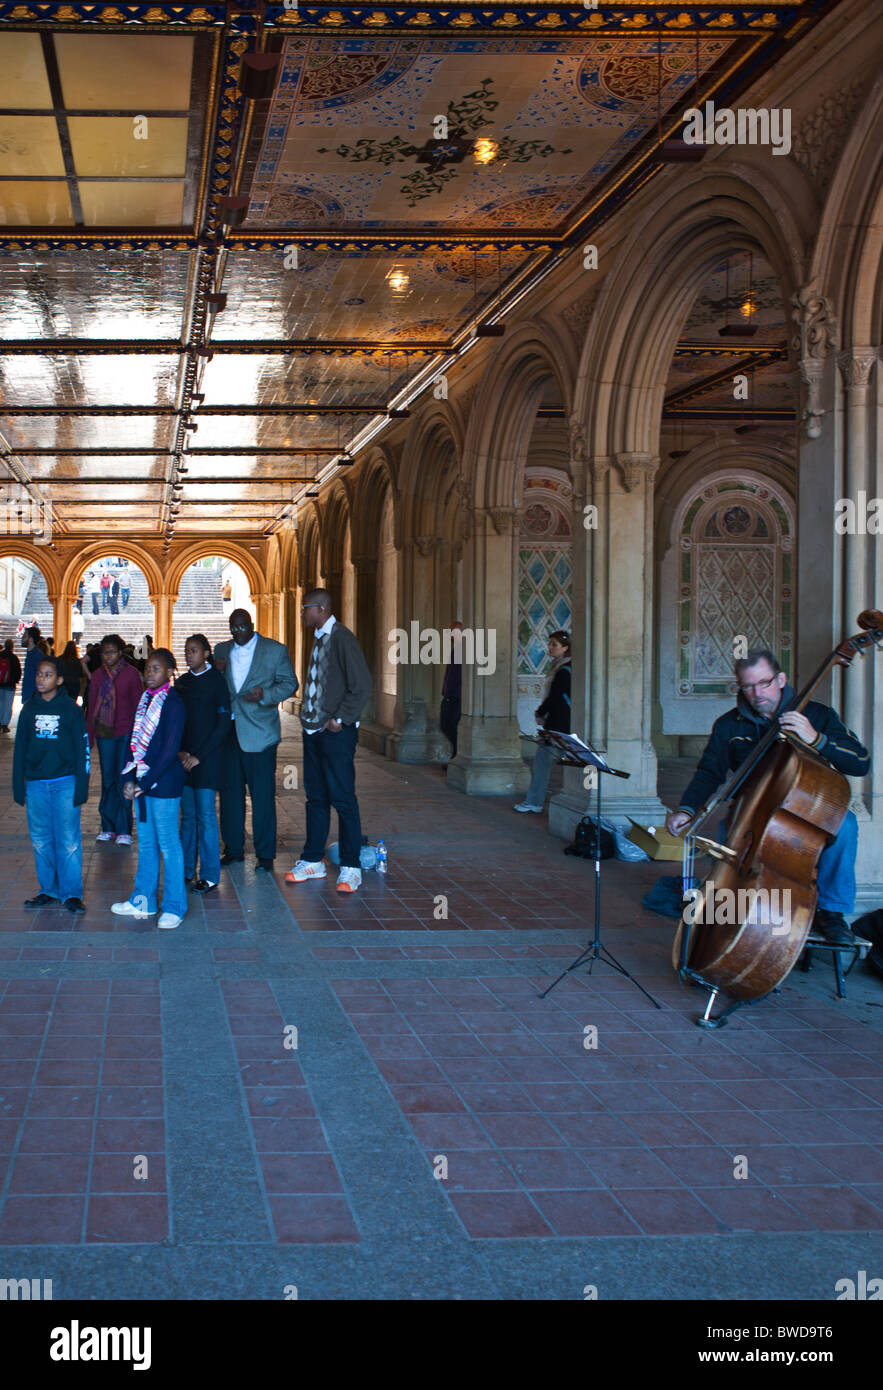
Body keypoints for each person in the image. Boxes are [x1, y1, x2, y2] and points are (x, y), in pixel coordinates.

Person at [666, 648, 871, 947]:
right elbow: (709, 773)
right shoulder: (729, 725)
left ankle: (830, 911)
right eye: (747, 686)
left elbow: (861, 762)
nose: (756, 692)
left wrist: (817, 739)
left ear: (781, 679)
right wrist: (687, 809)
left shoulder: (817, 715)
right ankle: (730, 911)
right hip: (753, 808)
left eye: (764, 683)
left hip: (806, 806)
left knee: (845, 825)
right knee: (728, 839)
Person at [286, 588, 372, 893]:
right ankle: (313, 860)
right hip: (313, 732)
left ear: (321, 608)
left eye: (305, 608)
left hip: (335, 733)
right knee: (316, 798)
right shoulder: (319, 638)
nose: (302, 613)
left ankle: (351, 867)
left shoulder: (342, 637)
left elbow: (361, 685)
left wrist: (341, 718)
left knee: (344, 798)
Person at [214, 609, 298, 871]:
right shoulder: (221, 651)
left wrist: (265, 695)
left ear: (251, 625)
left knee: (262, 796)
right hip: (228, 734)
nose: (237, 633)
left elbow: (290, 684)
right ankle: (233, 849)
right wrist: (215, 671)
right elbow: (216, 687)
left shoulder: (274, 650)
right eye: (232, 628)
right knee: (230, 795)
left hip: (261, 735)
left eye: (241, 627)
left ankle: (265, 855)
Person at [112, 649, 187, 930]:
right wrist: (129, 779)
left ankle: (174, 907)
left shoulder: (174, 703)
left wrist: (143, 783)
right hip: (143, 783)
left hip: (164, 784)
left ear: (169, 672)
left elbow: (169, 751)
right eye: (147, 668)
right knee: (146, 843)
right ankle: (143, 900)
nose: (149, 673)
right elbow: (133, 745)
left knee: (168, 844)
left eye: (156, 669)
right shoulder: (144, 700)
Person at [13, 654, 89, 914]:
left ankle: (71, 894)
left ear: (58, 680)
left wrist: (82, 785)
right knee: (41, 840)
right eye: (38, 674)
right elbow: (20, 747)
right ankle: (48, 889)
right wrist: (17, 784)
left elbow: (82, 749)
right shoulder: (29, 709)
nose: (41, 679)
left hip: (65, 782)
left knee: (68, 840)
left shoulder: (71, 710)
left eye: (47, 675)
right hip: (36, 784)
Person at [176, 634, 231, 894]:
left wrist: (199, 756)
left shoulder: (217, 683)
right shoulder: (182, 683)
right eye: (187, 651)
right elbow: (174, 721)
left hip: (207, 760)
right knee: (187, 818)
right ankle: (187, 869)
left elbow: (223, 725)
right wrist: (181, 753)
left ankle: (209, 875)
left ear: (207, 653)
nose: (189, 655)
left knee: (206, 816)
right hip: (184, 761)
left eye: (195, 650)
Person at [85, 633, 144, 845]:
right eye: (104, 652)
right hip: (105, 734)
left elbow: (139, 707)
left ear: (120, 653)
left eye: (111, 652)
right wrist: (89, 736)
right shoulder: (98, 676)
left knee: (124, 780)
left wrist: (138, 738)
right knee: (107, 781)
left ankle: (124, 829)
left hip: (125, 734)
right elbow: (91, 707)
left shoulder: (131, 675)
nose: (107, 656)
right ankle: (107, 826)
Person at [514, 630, 572, 814]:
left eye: (555, 644)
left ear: (565, 648)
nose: (550, 647)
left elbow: (555, 697)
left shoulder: (563, 670)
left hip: (557, 724)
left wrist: (540, 712)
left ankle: (534, 801)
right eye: (550, 643)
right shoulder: (561, 667)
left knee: (541, 763)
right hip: (563, 723)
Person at [439, 620, 463, 759]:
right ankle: (455, 755)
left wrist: (451, 693)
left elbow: (457, 676)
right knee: (447, 726)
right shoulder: (458, 649)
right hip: (451, 694)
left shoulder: (462, 650)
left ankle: (456, 756)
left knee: (448, 726)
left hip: (455, 696)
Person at [0, 637, 22, 732]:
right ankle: (5, 725)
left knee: (0, 703)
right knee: (8, 705)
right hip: (10, 685)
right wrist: (15, 681)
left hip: (0, 685)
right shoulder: (14, 658)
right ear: (12, 647)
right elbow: (18, 671)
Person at [20, 625, 43, 704]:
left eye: (24, 636)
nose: (22, 638)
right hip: (29, 697)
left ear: (31, 639)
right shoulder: (30, 654)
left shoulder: (37, 656)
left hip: (34, 698)